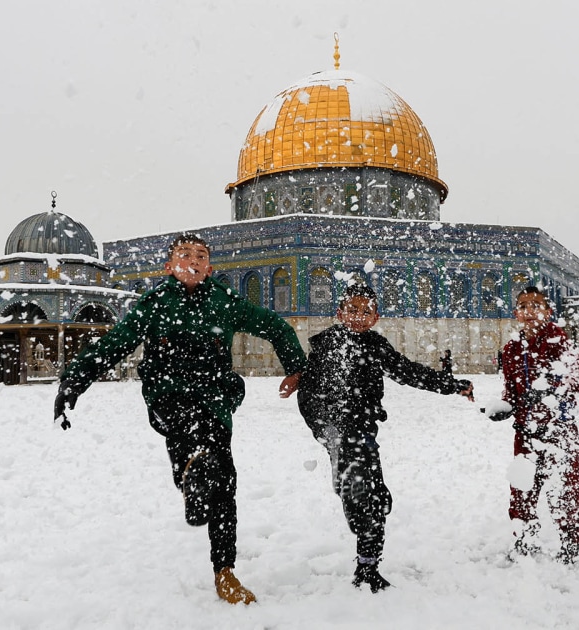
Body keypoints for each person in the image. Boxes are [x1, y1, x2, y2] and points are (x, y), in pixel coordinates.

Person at [54, 233, 307, 605]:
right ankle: (192, 479)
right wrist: (74, 381)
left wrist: (296, 368)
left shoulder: (225, 302)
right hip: (169, 393)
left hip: (215, 397)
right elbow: (117, 342)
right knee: (192, 442)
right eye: (184, 254)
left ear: (209, 268)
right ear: (169, 267)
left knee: (225, 480)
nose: (193, 260)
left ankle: (225, 571)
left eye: (201, 255)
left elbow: (276, 326)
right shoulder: (154, 304)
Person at [295, 283, 474, 592]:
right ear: (340, 313)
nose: (359, 317)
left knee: (372, 498)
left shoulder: (375, 346)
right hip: (340, 436)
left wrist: (451, 385)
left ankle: (368, 564)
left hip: (364, 434)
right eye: (353, 310)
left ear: (376, 318)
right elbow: (309, 396)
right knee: (360, 495)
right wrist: (325, 433)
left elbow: (408, 372)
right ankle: (366, 561)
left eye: (366, 312)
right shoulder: (326, 347)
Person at [487, 286, 579, 563]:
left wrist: (551, 391)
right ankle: (524, 537)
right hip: (526, 433)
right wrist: (503, 407)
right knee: (522, 487)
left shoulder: (560, 340)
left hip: (560, 431)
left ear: (548, 311)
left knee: (567, 487)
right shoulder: (511, 349)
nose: (529, 312)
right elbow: (510, 391)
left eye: (536, 305)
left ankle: (571, 542)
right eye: (523, 306)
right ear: (515, 313)